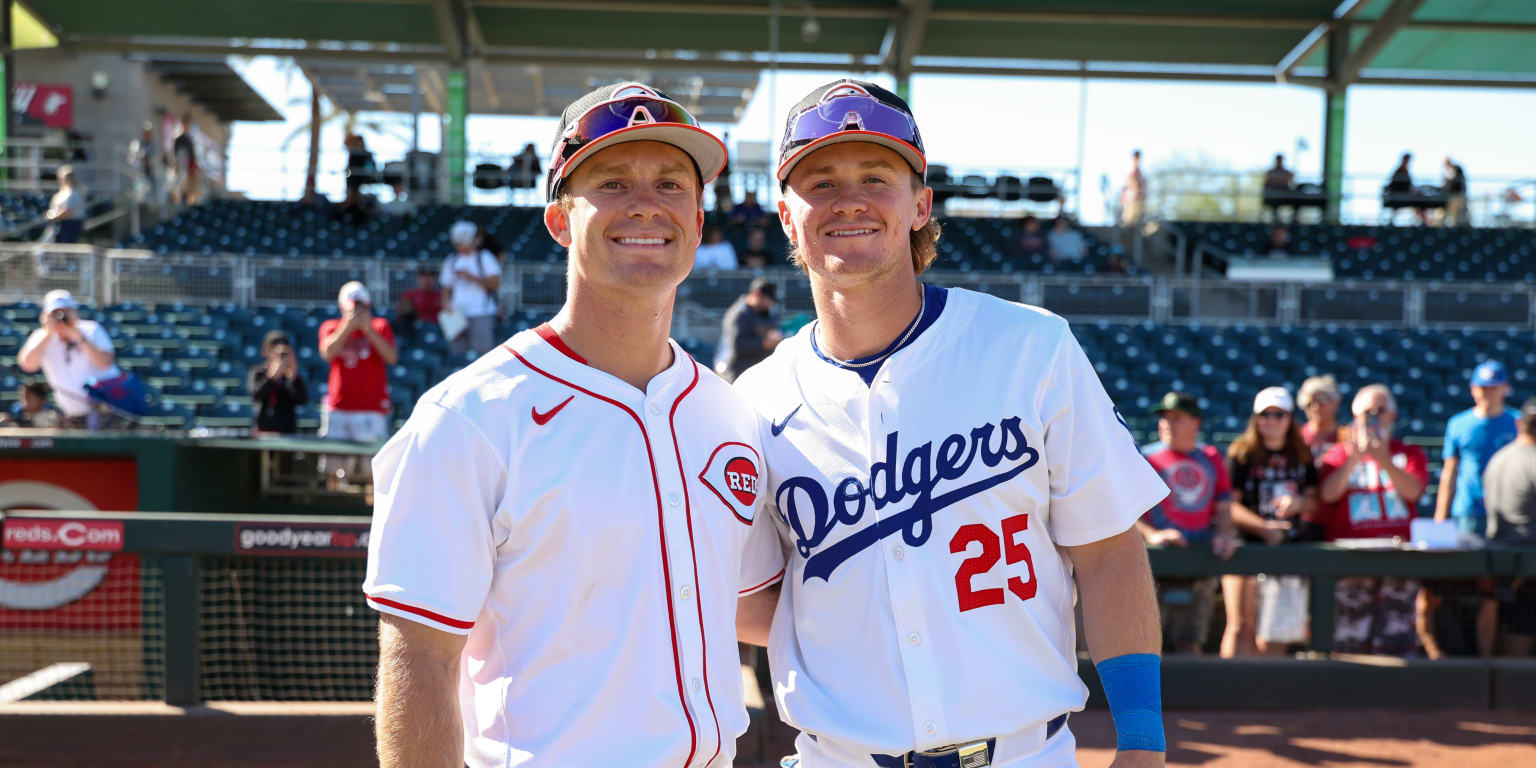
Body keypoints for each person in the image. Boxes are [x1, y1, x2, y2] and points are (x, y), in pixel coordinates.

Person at [734, 79, 1171, 768]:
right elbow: (753, 600)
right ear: (787, 216)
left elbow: (1109, 550)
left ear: (920, 206)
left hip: (1024, 755)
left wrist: (1143, 739)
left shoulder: (1031, 347)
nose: (849, 198)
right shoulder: (753, 402)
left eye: (877, 176)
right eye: (819, 180)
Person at [365, 81, 778, 768]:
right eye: (612, 182)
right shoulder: (469, 417)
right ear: (559, 220)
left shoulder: (726, 411)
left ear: (699, 221)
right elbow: (421, 660)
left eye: (673, 184)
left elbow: (754, 606)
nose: (647, 202)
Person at [1318, 384, 1428, 656]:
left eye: (1380, 410)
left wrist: (1384, 459)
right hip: (1351, 564)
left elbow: (1413, 491)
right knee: (1349, 641)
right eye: (1367, 412)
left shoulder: (1409, 453)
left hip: (1399, 562)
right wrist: (1356, 457)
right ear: (1355, 417)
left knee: (1397, 641)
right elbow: (1328, 494)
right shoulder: (1338, 454)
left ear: (1392, 414)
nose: (1374, 417)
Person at [1138, 391, 1237, 656]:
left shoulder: (1211, 458)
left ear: (1196, 422)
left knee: (1190, 644)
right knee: (1145, 645)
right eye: (1164, 418)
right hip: (1153, 567)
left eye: (1177, 418)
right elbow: (1126, 512)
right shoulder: (1144, 457)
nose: (1167, 424)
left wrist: (1223, 534)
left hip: (1198, 565)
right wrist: (1153, 535)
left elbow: (1224, 507)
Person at [1224, 387, 1318, 657]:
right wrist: (1263, 528)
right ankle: (1226, 693)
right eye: (1265, 415)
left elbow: (1314, 501)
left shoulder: (1302, 456)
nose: (1272, 421)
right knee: (1240, 626)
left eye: (1279, 415)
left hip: (1287, 550)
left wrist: (1298, 503)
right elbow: (1229, 505)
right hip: (1244, 545)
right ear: (1255, 418)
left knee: (1276, 632)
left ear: (1289, 419)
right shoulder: (1241, 454)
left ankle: (1265, 695)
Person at [1435, 361, 1517, 539]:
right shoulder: (1458, 424)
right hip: (1469, 511)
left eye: (1494, 387)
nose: (1488, 393)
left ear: (1505, 388)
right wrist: (1440, 516)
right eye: (1483, 387)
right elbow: (1449, 472)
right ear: (1473, 389)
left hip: (1508, 511)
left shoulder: (1518, 423)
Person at [17, 290, 122, 428]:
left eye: (65, 312)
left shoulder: (90, 330)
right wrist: (49, 333)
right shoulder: (41, 336)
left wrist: (78, 336)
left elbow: (105, 362)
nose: (61, 318)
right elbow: (27, 365)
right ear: (45, 316)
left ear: (75, 313)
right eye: (55, 313)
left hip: (109, 412)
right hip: (74, 416)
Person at [1483, 396, 1536, 657]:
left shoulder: (1498, 458)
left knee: (1506, 638)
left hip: (1497, 559)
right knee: (1518, 649)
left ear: (1520, 424)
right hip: (1525, 566)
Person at [318, 280, 396, 449]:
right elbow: (327, 353)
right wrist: (347, 327)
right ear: (342, 307)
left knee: (372, 469)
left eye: (362, 307)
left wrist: (369, 330)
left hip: (371, 408)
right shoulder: (331, 327)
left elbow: (391, 358)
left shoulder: (380, 326)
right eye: (353, 308)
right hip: (339, 407)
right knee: (334, 467)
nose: (357, 312)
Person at [439, 220, 502, 357]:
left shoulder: (485, 257)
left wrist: (471, 277)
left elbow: (495, 284)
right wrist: (446, 305)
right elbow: (446, 288)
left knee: (483, 357)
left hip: (481, 313)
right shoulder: (451, 260)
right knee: (458, 355)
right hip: (457, 314)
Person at [714, 277, 783, 382]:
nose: (770, 303)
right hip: (733, 373)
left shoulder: (766, 314)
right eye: (768, 299)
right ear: (757, 294)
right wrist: (765, 343)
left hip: (756, 372)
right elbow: (738, 346)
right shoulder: (739, 314)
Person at [247, 330, 308, 435]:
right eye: (275, 350)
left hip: (287, 431)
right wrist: (271, 377)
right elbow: (255, 395)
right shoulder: (258, 372)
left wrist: (293, 377)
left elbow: (301, 400)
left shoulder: (291, 375)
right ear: (265, 352)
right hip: (263, 428)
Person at [1297, 374, 1343, 465]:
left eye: (1321, 401)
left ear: (1335, 403)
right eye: (1309, 403)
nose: (1315, 407)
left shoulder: (1347, 436)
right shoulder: (1298, 436)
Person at [394, 268, 442, 339]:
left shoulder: (441, 296)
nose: (427, 280)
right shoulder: (410, 294)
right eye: (424, 278)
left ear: (435, 280)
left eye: (430, 278)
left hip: (437, 327)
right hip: (414, 327)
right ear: (418, 279)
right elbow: (401, 312)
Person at [44, 165, 86, 244]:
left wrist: (54, 217)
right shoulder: (62, 193)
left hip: (71, 224)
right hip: (60, 224)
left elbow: (68, 211)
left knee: (67, 248)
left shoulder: (75, 193)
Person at [170, 117, 200, 206]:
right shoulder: (178, 139)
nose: (186, 127)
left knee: (188, 187)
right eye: (185, 124)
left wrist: (192, 169)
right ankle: (176, 201)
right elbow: (175, 154)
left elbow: (192, 157)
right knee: (178, 184)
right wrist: (176, 165)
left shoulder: (190, 141)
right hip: (180, 167)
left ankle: (186, 202)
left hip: (188, 168)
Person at [1263, 154, 1296, 224]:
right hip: (1274, 196)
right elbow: (1266, 185)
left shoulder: (1287, 172)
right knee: (1273, 200)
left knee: (1297, 199)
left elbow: (1293, 184)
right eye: (1278, 160)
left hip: (1285, 195)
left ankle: (1294, 219)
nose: (1279, 161)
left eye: (1281, 160)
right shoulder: (1271, 172)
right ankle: (1276, 219)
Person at [1120, 149, 1146, 230]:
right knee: (1127, 223)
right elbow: (1126, 188)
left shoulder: (1139, 174)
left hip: (1137, 201)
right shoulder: (1131, 173)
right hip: (1130, 202)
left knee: (1135, 224)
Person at [1442, 157, 1468, 227]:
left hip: (1457, 196)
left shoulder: (1457, 169)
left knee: (1458, 216)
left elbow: (1456, 183)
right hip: (1449, 197)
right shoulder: (1447, 172)